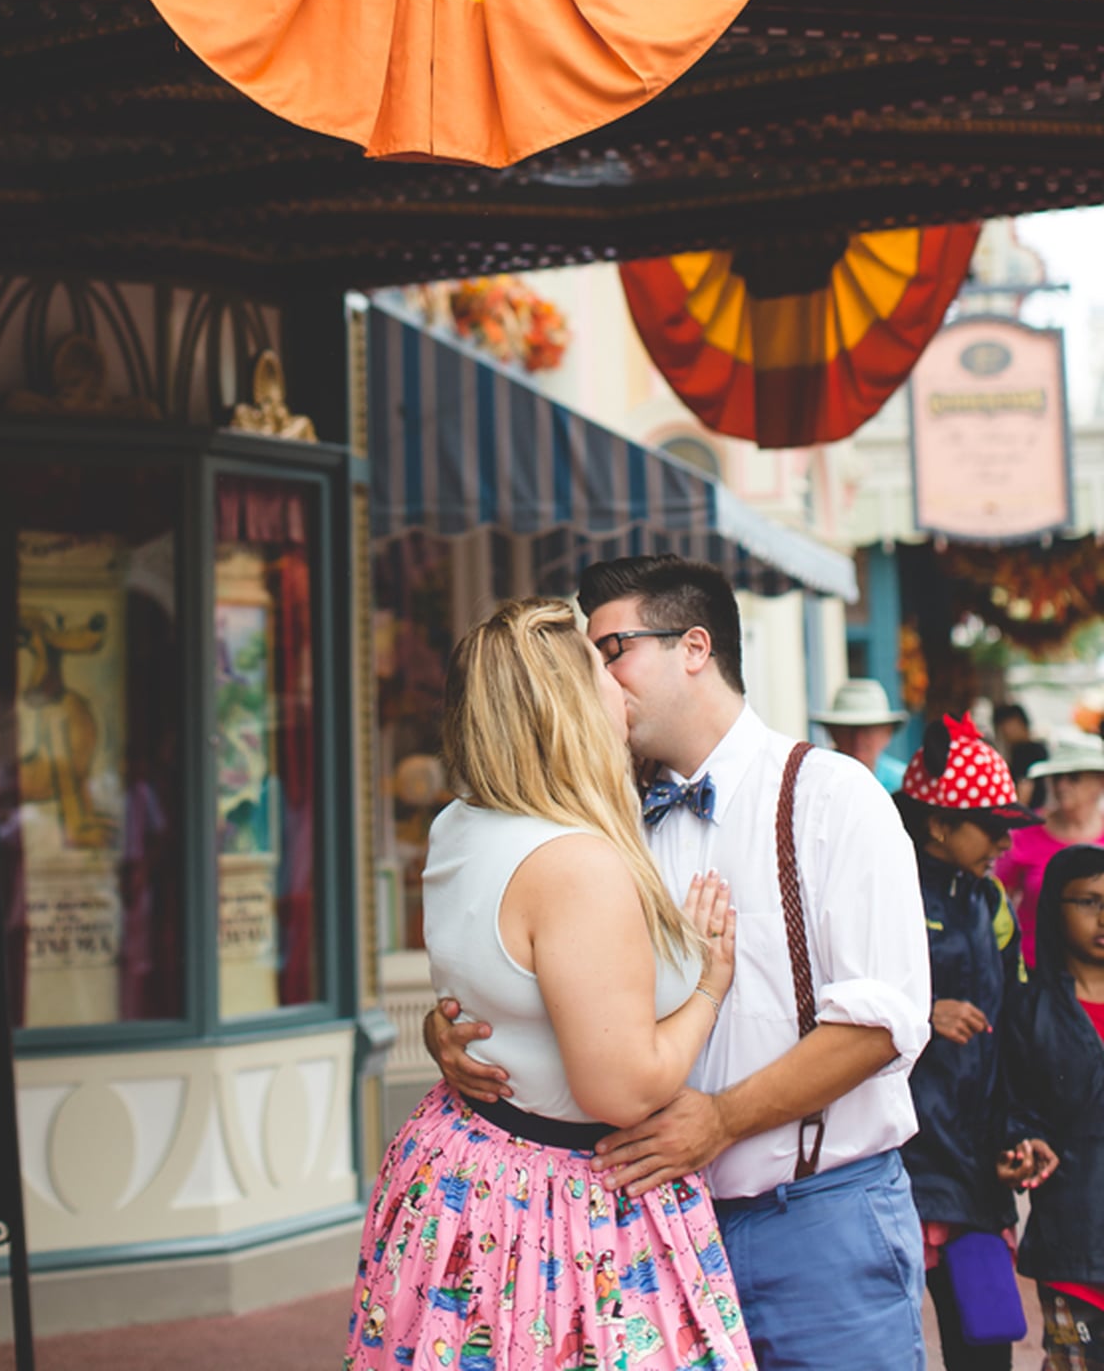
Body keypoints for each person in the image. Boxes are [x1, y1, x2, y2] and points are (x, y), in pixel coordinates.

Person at [426, 555, 931, 1371]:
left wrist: (722, 1121)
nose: (596, 676)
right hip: (646, 1230)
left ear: (695, 646)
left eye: (612, 646)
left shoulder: (832, 797)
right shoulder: (590, 814)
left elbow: (882, 1025)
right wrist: (456, 1028)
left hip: (813, 1222)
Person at [345, 597, 754, 1371]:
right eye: (599, 662)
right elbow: (623, 1091)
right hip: (563, 1208)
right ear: (565, 700)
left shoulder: (459, 822)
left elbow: (497, 977)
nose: (616, 677)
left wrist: (446, 1027)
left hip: (466, 1162)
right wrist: (708, 983)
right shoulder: (576, 865)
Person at [896, 715, 1057, 1371]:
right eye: (989, 824)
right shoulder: (885, 887)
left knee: (988, 1339)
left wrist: (1018, 1128)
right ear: (937, 823)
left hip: (977, 1167)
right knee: (890, 1344)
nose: (1002, 840)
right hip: (899, 1165)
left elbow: (1014, 1022)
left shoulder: (990, 899)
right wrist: (919, 1012)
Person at [1002, 844, 1104, 1371]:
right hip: (1076, 1242)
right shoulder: (1029, 1009)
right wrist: (1022, 1141)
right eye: (1088, 901)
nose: (1103, 917)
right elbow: (1010, 1105)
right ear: (1052, 908)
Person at [995, 733, 1104, 967]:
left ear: (1100, 782)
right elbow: (996, 899)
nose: (1062, 785)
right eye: (1056, 777)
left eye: (1073, 777)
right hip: (1035, 975)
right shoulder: (1023, 834)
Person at [821, 674, 907, 778]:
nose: (858, 739)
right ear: (832, 732)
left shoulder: (904, 784)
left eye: (868, 731)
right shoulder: (816, 780)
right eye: (849, 730)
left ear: (887, 733)